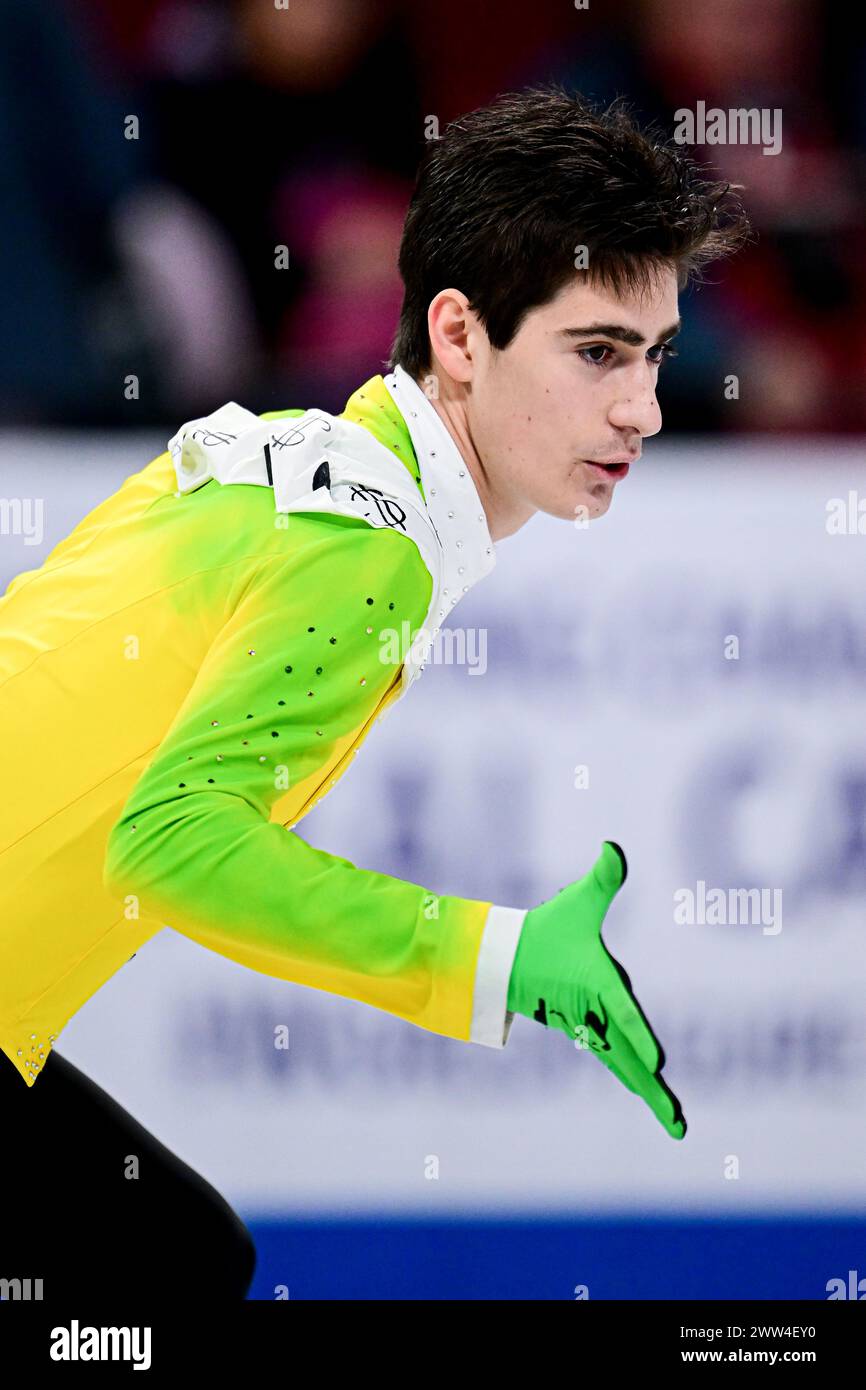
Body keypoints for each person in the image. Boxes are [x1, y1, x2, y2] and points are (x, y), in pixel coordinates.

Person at [0, 83, 751, 1300]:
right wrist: (492, 959)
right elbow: (175, 839)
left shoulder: (293, 458)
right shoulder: (369, 546)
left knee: (167, 1259)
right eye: (597, 351)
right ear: (458, 336)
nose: (642, 409)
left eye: (655, 356)